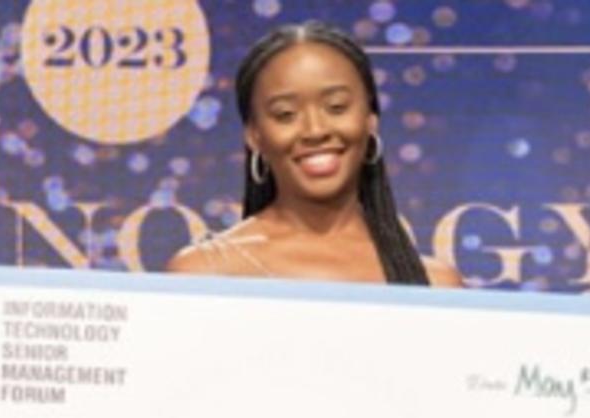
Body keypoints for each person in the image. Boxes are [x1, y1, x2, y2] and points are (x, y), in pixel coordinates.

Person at [168, 21, 460, 287]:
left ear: (370, 119)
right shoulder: (202, 273)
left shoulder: (435, 285)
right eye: (285, 114)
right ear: (254, 136)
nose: (315, 130)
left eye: (336, 107)